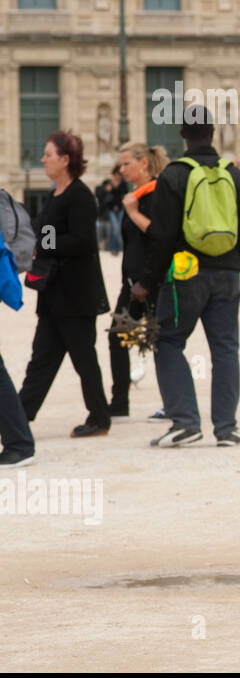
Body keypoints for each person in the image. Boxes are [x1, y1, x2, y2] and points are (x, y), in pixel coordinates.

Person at [139, 107, 240, 447]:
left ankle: (185, 422)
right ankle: (227, 428)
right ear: (213, 132)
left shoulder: (174, 175)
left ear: (183, 133)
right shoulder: (235, 175)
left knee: (168, 341)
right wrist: (236, 256)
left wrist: (146, 282)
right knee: (225, 349)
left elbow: (161, 236)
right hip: (226, 274)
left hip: (186, 273)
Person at [18, 132, 113, 438]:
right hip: (54, 293)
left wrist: (41, 244)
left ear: (65, 160)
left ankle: (100, 417)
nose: (43, 159)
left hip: (75, 295)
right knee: (41, 361)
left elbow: (82, 240)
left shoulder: (81, 196)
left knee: (84, 359)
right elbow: (45, 229)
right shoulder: (55, 194)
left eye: (48, 154)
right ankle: (18, 419)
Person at [107, 143, 169, 418]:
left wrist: (132, 212)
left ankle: (174, 403)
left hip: (151, 282)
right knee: (118, 337)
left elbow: (159, 234)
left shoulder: (158, 193)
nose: (121, 169)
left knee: (163, 341)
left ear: (143, 163)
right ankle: (120, 402)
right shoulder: (132, 194)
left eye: (126, 164)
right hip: (132, 283)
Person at [0, 188, 36, 466]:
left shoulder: (75, 196)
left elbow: (53, 237)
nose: (44, 160)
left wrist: (47, 262)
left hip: (69, 291)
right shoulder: (58, 196)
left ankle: (20, 441)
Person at [96, 166, 125, 256]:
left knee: (118, 229)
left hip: (119, 209)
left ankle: (114, 248)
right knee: (115, 228)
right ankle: (113, 248)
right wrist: (107, 189)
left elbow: (125, 194)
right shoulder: (108, 183)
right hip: (111, 209)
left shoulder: (123, 184)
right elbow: (99, 193)